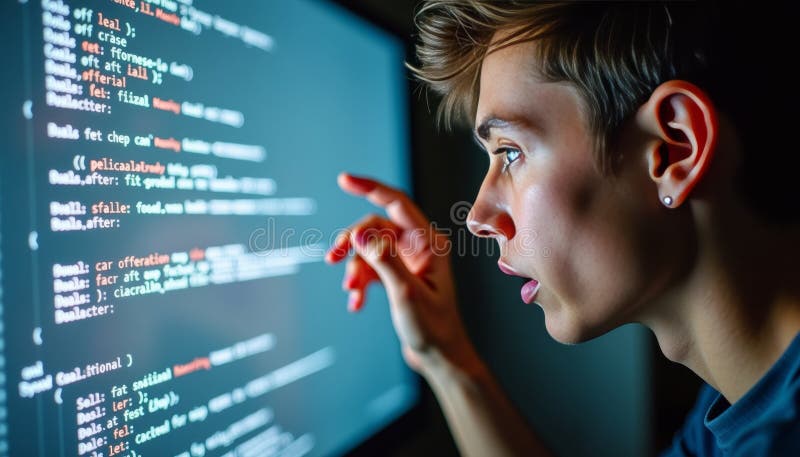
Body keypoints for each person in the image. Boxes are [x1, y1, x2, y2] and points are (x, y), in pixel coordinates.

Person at [325, 2, 800, 456]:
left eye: (511, 152)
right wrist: (445, 356)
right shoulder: (740, 405)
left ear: (674, 149)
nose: (477, 218)